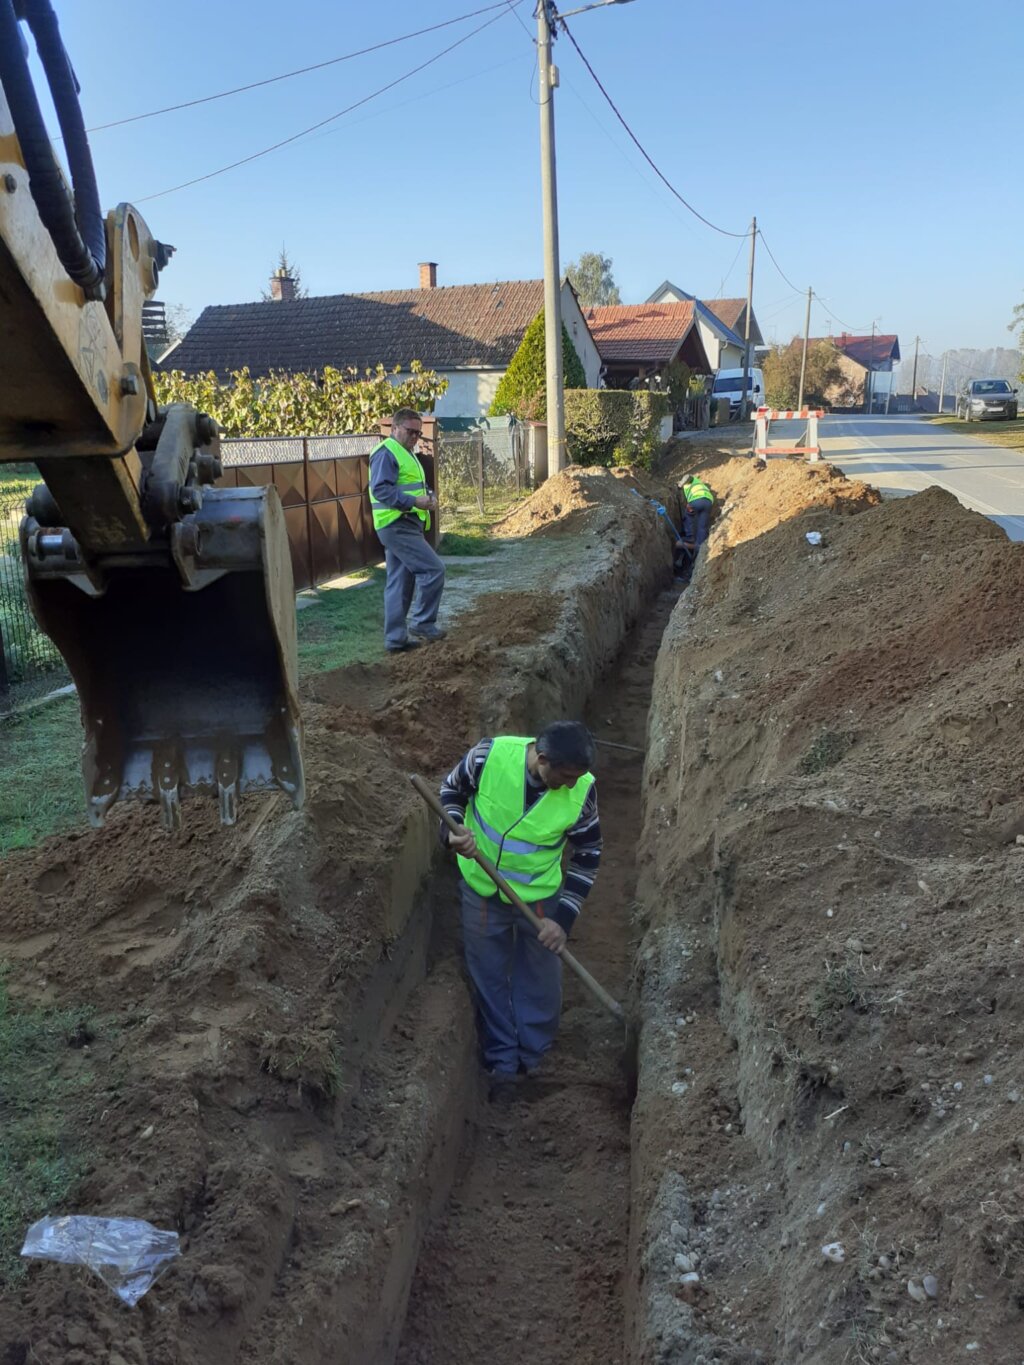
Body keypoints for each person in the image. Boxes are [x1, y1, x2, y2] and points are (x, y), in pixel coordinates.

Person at [439, 722, 603, 1085]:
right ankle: (502, 1060)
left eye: (578, 776)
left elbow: (588, 852)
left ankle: (534, 1055)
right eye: (565, 776)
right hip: (481, 890)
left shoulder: (582, 791)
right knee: (489, 975)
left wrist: (563, 920)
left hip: (539, 898)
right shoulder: (488, 756)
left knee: (541, 978)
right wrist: (452, 830)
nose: (572, 784)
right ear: (541, 759)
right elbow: (451, 790)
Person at [368, 408, 445, 653]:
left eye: (418, 433)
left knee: (399, 581)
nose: (415, 437)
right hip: (396, 523)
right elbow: (381, 490)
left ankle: (395, 640)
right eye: (411, 431)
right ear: (395, 428)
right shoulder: (386, 453)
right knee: (433, 569)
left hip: (404, 523)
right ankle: (423, 623)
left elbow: (413, 486)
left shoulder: (406, 453)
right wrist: (414, 502)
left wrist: (428, 497)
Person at [681, 474, 715, 549]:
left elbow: (688, 477)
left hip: (697, 500)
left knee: (688, 515)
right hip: (708, 502)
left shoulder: (689, 482)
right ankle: (700, 545)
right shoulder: (698, 482)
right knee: (702, 526)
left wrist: (681, 484)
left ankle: (690, 537)